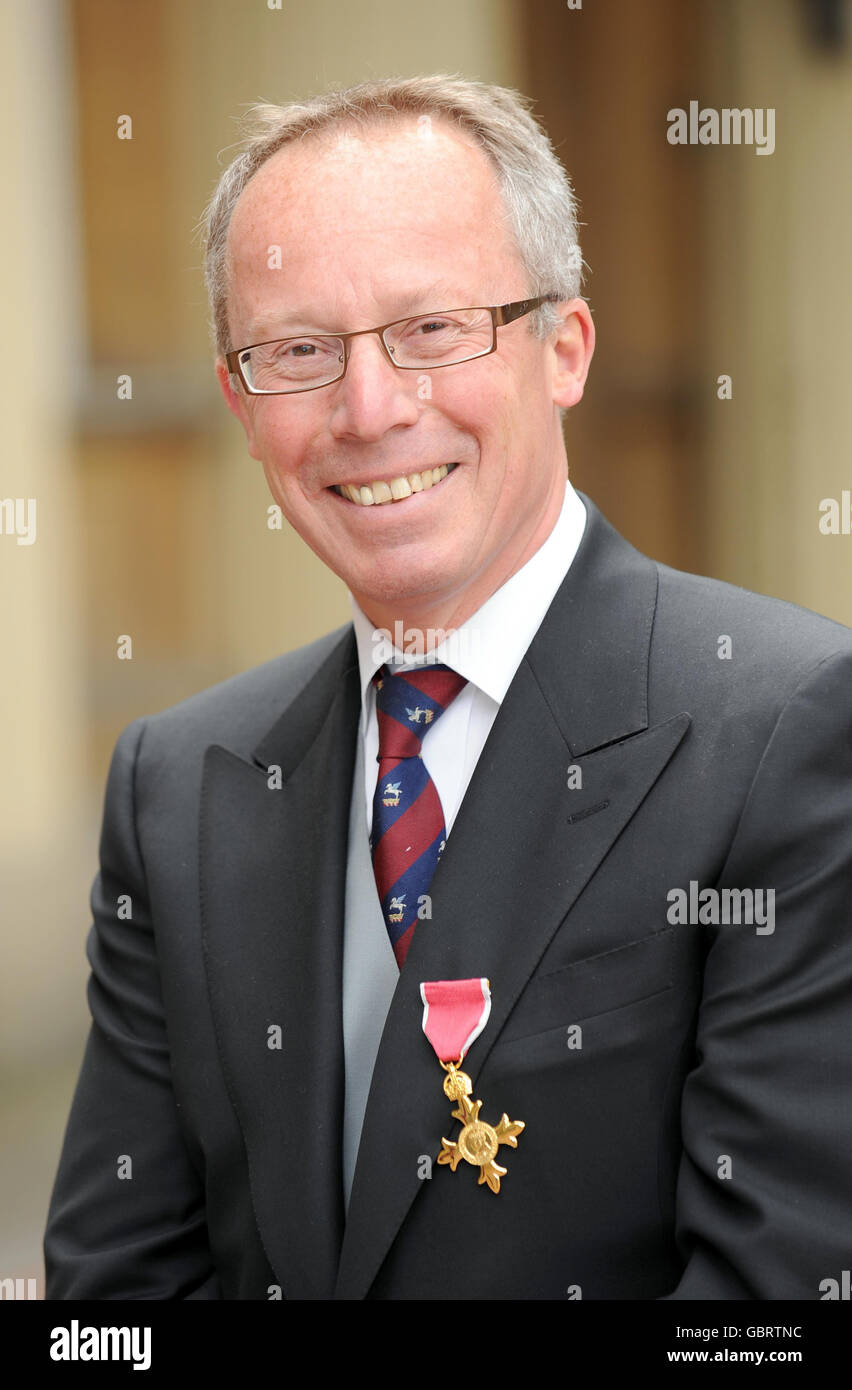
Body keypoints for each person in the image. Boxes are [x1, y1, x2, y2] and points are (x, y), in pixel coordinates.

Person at [44, 74, 852, 1301]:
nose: (370, 411)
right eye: (300, 351)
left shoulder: (787, 728)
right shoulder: (176, 791)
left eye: (432, 330)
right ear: (240, 403)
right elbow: (114, 1300)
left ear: (564, 347)